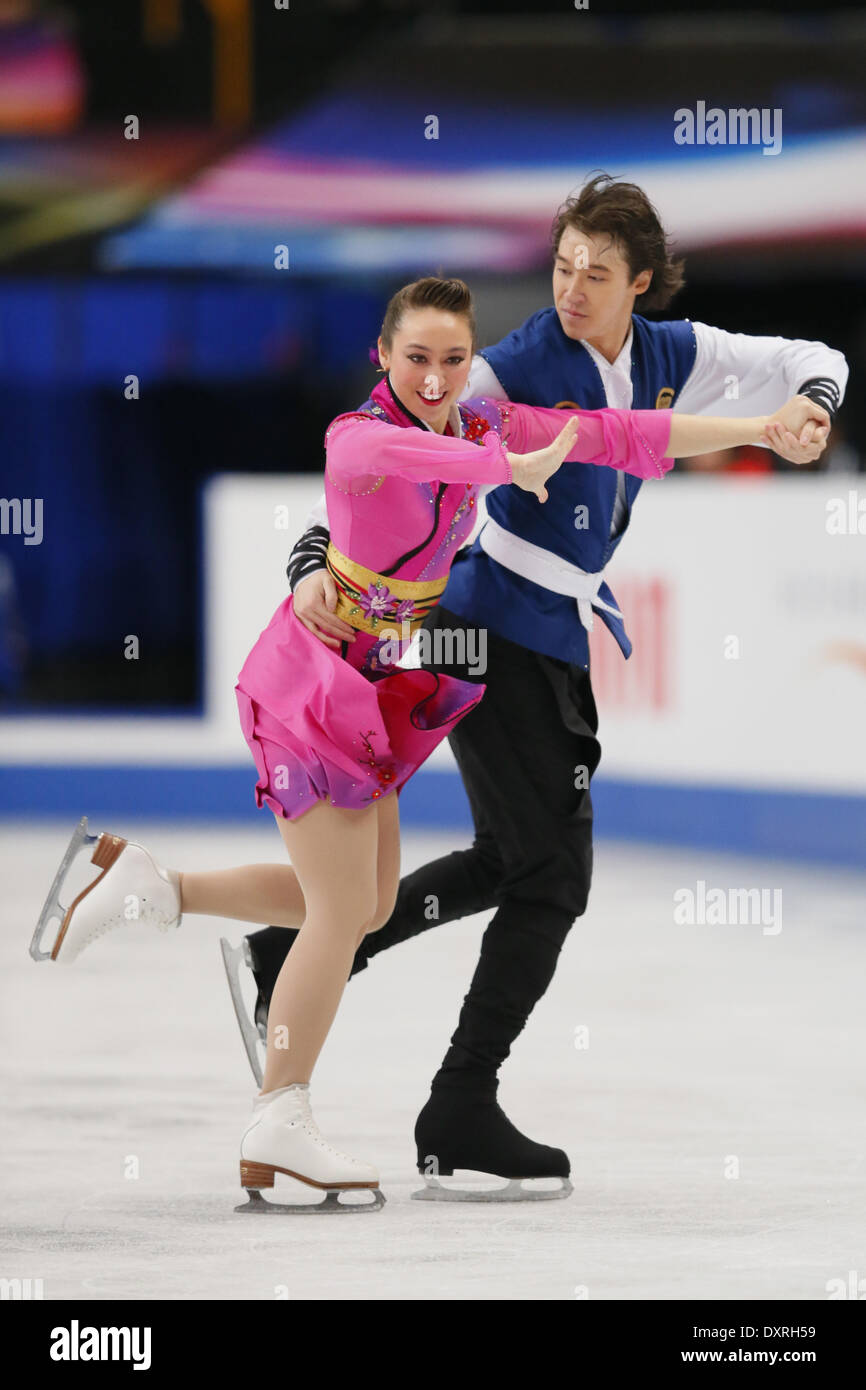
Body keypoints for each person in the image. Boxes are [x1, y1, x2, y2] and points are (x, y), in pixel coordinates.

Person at [31, 275, 827, 1213]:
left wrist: (758, 429)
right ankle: (277, 1119)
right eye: (418, 358)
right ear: (383, 356)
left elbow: (625, 437)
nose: (439, 377)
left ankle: (148, 887)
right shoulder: (361, 438)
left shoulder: (483, 427)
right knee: (337, 913)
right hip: (313, 683)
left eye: (455, 359)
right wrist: (509, 470)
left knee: (365, 903)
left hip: (374, 688)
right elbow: (421, 462)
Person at [237, 175, 849, 1202]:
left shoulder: (670, 354)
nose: (569, 287)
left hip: (546, 633)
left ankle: (296, 954)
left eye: (594, 274)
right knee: (550, 874)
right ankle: (453, 1095)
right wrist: (307, 563)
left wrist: (801, 411)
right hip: (487, 626)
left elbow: (804, 361)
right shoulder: (507, 367)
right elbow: (381, 448)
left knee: (513, 859)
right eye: (561, 265)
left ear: (637, 283)